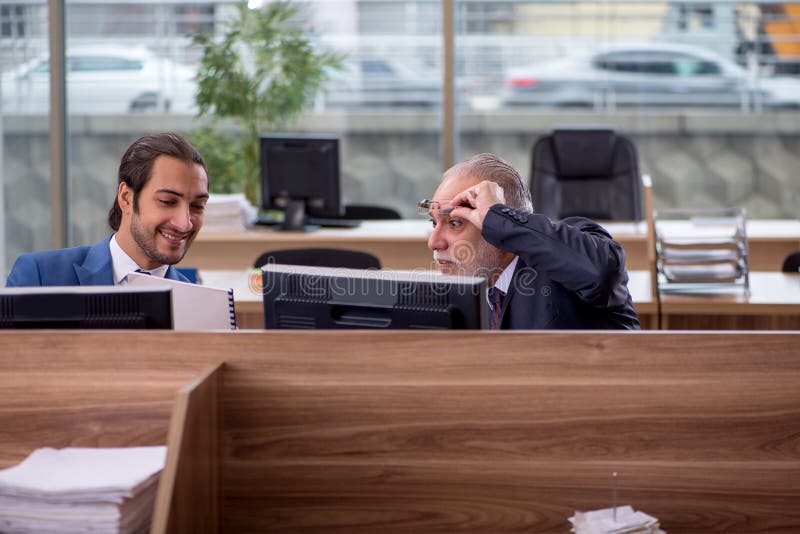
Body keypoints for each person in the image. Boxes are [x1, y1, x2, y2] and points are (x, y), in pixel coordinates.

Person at [422, 153, 640, 329]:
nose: (434, 242)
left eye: (454, 223)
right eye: (434, 223)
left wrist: (498, 217)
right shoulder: (471, 295)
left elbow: (603, 274)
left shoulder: (564, 257)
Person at [6, 132, 209, 287]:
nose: (185, 223)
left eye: (197, 206)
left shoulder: (203, 308)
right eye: (167, 201)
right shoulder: (41, 276)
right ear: (126, 198)